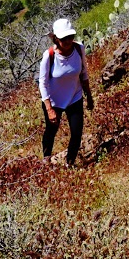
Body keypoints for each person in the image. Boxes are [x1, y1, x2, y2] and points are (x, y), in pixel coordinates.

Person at [38, 17, 94, 166]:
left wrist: (89, 96)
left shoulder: (78, 49)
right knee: (51, 130)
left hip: (74, 96)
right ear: (56, 39)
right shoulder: (49, 56)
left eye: (70, 37)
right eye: (64, 38)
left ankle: (70, 163)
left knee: (76, 132)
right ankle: (46, 159)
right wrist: (49, 108)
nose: (68, 41)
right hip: (54, 99)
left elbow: (83, 73)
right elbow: (42, 83)